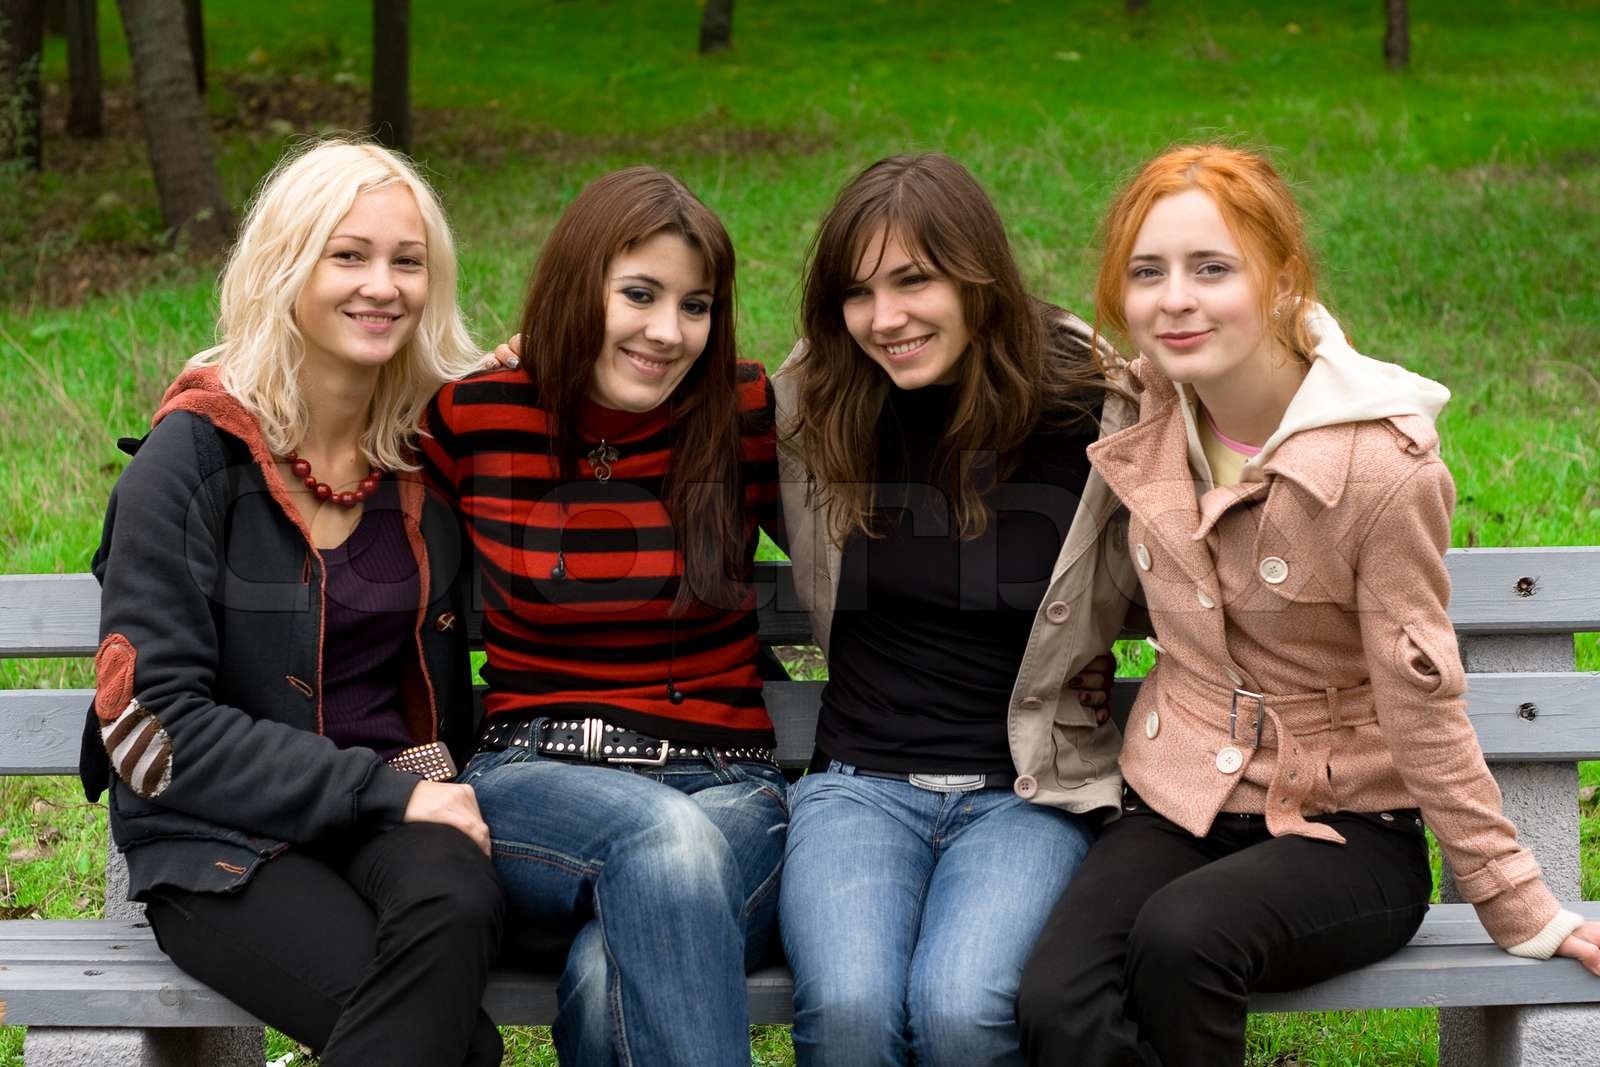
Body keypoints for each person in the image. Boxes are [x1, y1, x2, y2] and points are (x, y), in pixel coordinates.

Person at [1013, 143, 1600, 1066]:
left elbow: (1422, 698)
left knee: (1182, 938)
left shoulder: (1380, 466)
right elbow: (997, 339)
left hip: (1348, 827)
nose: (1176, 298)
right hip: (1182, 800)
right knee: (1054, 995)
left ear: (1282, 279)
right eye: (1146, 273)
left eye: (1213, 269)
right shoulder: (1150, 408)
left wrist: (1513, 894)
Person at [79, 140, 505, 1067]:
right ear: (285, 268)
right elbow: (154, 728)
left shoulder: (423, 455)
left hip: (391, 810)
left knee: (457, 896)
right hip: (217, 842)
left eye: (407, 260)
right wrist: (383, 790)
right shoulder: (189, 462)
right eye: (347, 255)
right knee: (458, 1048)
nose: (382, 285)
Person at [772, 153, 1133, 1066]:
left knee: (964, 1009)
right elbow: (645, 399)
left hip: (1028, 795)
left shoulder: (1094, 407)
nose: (885, 320)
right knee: (851, 1010)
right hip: (858, 787)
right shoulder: (817, 407)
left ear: (977, 275)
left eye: (914, 280)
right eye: (858, 292)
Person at [421, 166, 786, 1067]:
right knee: (658, 839)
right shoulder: (475, 412)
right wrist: (210, 384)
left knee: (600, 973)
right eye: (638, 294)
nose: (668, 332)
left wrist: (1062, 340)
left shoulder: (740, 409)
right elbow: (323, 433)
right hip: (533, 780)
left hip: (731, 786)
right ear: (578, 283)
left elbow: (899, 385)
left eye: (695, 305)